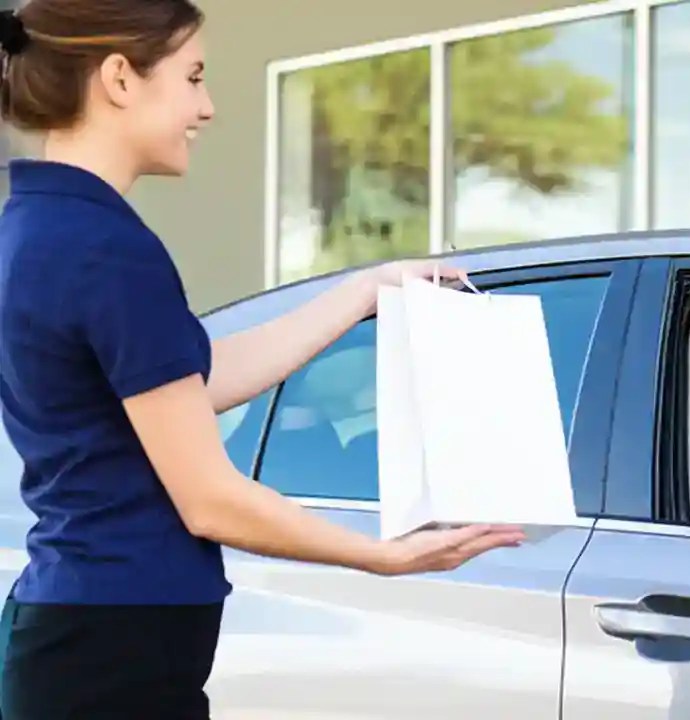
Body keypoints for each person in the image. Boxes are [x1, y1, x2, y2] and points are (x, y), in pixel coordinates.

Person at [0, 2, 525, 718]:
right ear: (120, 78)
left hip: (86, 630)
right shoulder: (105, 249)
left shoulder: (40, 228)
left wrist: (361, 290)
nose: (207, 107)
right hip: (113, 652)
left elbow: (197, 380)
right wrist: (384, 556)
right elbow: (209, 498)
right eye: (192, 77)